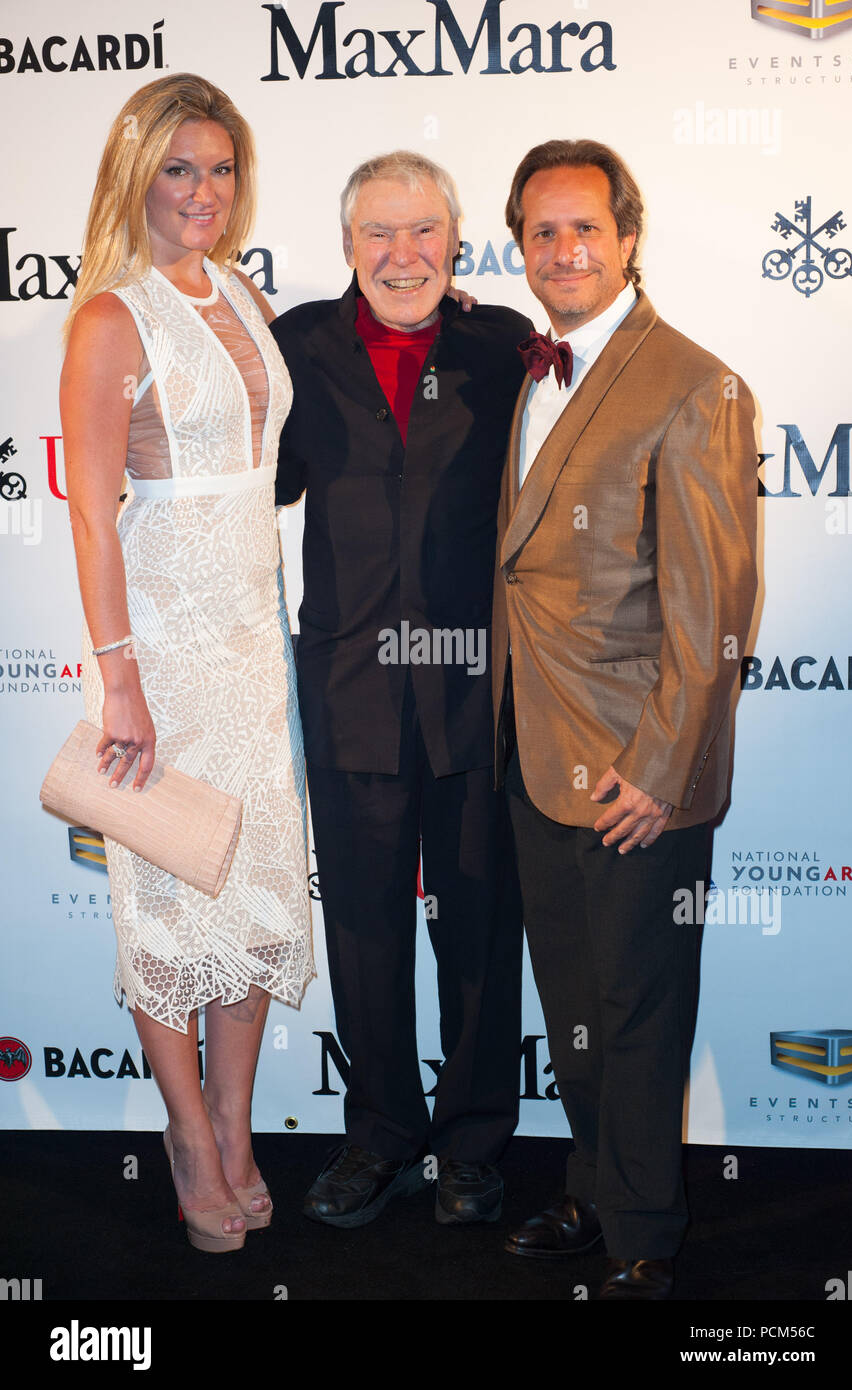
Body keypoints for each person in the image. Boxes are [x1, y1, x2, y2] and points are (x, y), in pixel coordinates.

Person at [493, 139, 758, 1298]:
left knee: (638, 1005)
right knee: (573, 998)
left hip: (633, 764)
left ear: (629, 238)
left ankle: (644, 1232)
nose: (562, 251)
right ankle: (593, 1189)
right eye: (541, 233)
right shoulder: (528, 372)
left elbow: (716, 604)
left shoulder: (694, 383)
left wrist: (661, 766)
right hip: (533, 745)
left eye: (583, 229)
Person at [60, 73, 313, 1253]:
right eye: (178, 169)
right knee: (165, 896)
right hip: (158, 653)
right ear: (137, 177)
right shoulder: (112, 317)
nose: (202, 191)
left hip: (253, 646)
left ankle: (235, 1121)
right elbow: (95, 514)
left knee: (252, 887)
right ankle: (189, 1138)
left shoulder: (242, 291)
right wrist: (121, 678)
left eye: (217, 168)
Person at [271, 152, 531, 1227]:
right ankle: (380, 1131)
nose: (402, 254)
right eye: (378, 233)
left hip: (476, 688)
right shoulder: (293, 346)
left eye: (423, 231)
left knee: (477, 923)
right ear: (345, 247)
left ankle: (473, 1140)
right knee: (366, 931)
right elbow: (249, 482)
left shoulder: (505, 345)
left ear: (456, 243)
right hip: (351, 686)